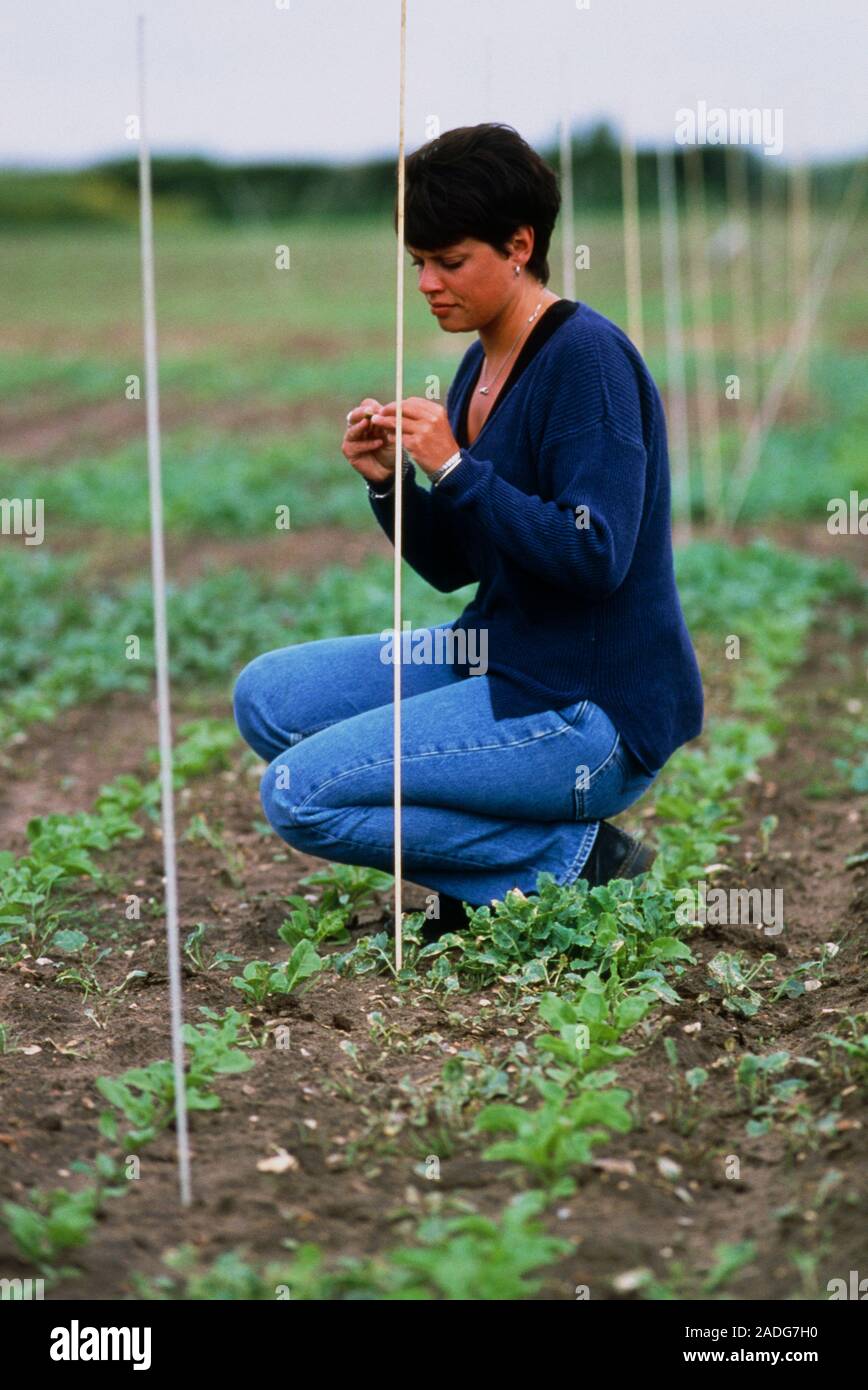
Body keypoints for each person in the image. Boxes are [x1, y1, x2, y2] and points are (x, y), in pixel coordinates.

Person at [233, 123, 704, 941]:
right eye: (418, 262)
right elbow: (459, 564)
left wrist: (457, 470)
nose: (427, 283)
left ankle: (563, 858)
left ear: (519, 245)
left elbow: (595, 556)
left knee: (299, 794)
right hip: (494, 654)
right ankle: (519, 852)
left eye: (449, 262)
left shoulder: (587, 362)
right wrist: (394, 485)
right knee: (266, 699)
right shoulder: (481, 362)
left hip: (584, 707)